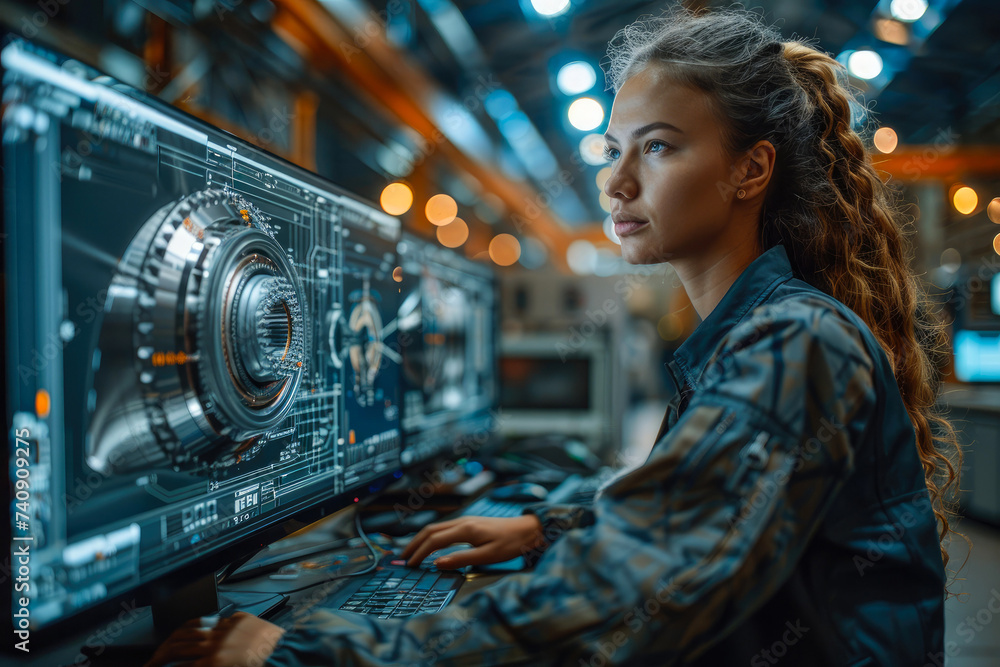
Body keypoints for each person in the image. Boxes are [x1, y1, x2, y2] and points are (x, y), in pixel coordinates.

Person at [145, 5, 962, 666]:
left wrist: (309, 651)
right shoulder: (756, 332)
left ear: (751, 170)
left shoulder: (796, 343)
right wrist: (550, 528)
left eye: (659, 147)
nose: (616, 180)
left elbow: (651, 585)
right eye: (613, 150)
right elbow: (695, 512)